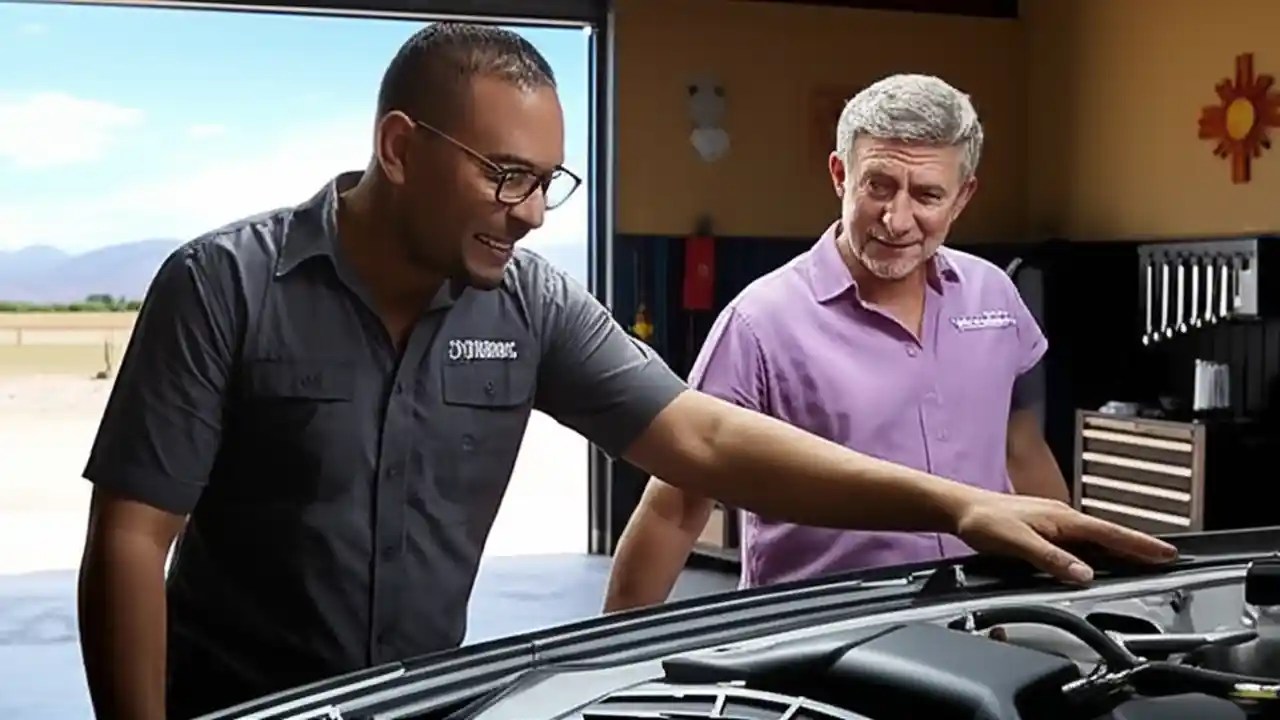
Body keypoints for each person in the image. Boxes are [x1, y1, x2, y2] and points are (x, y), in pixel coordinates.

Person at [75, 26, 1175, 720]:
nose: (526, 208)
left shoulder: (531, 300)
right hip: (239, 707)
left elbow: (697, 438)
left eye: (546, 180)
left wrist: (959, 505)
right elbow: (130, 542)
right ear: (400, 148)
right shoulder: (223, 284)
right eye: (504, 173)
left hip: (420, 701)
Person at [603, 73, 1077, 612]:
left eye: (927, 195)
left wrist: (1065, 593)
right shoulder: (761, 322)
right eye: (878, 186)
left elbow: (1023, 449)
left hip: (986, 616)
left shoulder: (993, 294)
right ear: (839, 174)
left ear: (963, 196)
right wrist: (603, 665)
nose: (897, 220)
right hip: (822, 637)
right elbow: (677, 506)